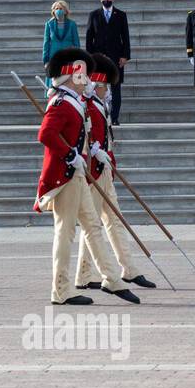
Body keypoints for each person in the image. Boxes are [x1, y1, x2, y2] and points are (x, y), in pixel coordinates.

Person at [33, 49, 139, 306]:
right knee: (66, 233)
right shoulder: (60, 103)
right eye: (83, 75)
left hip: (78, 173)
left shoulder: (73, 101)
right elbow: (46, 135)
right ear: (71, 76)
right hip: (65, 176)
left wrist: (87, 152)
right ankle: (61, 290)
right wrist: (70, 154)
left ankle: (112, 279)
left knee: (92, 226)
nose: (88, 80)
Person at [74, 54, 155, 293]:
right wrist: (96, 153)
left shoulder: (99, 105)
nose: (107, 90)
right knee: (94, 224)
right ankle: (85, 274)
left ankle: (127, 268)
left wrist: (108, 158)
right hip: (95, 170)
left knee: (114, 221)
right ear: (97, 86)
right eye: (105, 86)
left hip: (106, 167)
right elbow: (88, 137)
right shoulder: (88, 106)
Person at [85, 0, 130, 125]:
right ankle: (100, 117)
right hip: (99, 58)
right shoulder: (93, 15)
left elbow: (126, 37)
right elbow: (89, 37)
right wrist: (91, 56)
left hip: (116, 58)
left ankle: (114, 117)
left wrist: (125, 56)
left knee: (116, 88)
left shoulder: (121, 15)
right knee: (98, 87)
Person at [41, 0, 80, 90]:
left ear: (66, 11)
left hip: (68, 58)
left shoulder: (72, 24)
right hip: (54, 58)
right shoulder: (49, 24)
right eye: (56, 8)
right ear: (53, 11)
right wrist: (46, 60)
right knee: (54, 86)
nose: (58, 10)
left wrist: (77, 58)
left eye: (61, 8)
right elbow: (46, 43)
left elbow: (76, 43)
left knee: (68, 84)